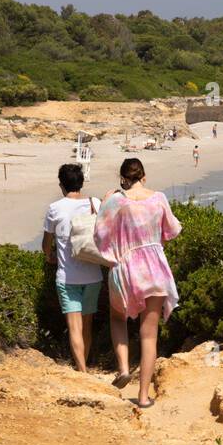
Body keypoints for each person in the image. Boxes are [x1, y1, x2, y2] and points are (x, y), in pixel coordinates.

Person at [95, 158, 183, 408]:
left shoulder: (116, 201)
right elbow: (172, 231)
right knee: (149, 336)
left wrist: (103, 204)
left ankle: (123, 367)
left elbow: (100, 235)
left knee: (117, 318)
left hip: (126, 268)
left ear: (123, 179)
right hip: (154, 270)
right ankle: (143, 397)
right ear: (143, 176)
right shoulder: (159, 198)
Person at [43, 164, 103, 373]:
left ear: (61, 184)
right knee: (86, 325)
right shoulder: (94, 202)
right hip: (93, 275)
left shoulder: (55, 208)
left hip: (68, 277)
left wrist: (50, 256)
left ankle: (82, 370)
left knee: (74, 327)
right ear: (82, 183)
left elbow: (46, 244)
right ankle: (82, 368)